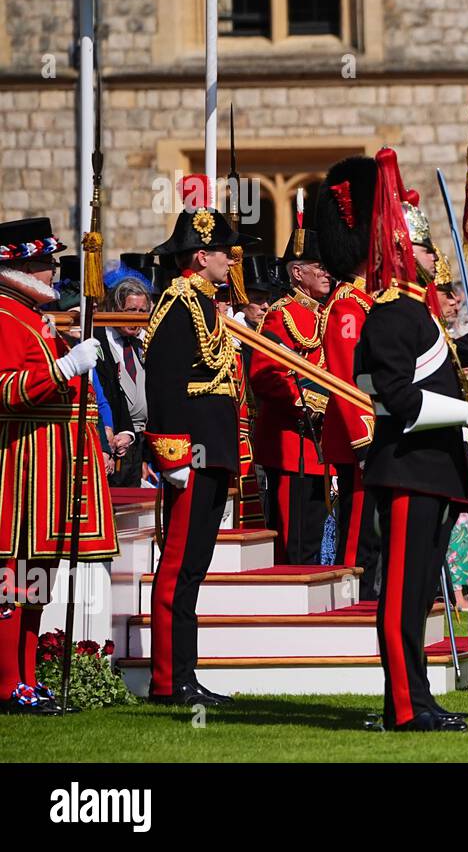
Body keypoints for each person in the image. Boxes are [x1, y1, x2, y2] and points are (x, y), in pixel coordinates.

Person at [354, 147, 468, 733]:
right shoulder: (393, 312)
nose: (434, 256)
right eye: (422, 246)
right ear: (399, 251)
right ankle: (406, 707)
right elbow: (393, 397)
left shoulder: (423, 315)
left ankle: (416, 697)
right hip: (409, 468)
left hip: (434, 471)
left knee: (419, 598)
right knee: (401, 597)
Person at [0, 217, 118, 714]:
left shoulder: (33, 316)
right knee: (14, 576)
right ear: (19, 265)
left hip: (50, 464)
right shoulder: (5, 315)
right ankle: (7, 682)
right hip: (23, 464)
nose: (52, 273)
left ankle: (26, 676)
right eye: (45, 264)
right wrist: (63, 369)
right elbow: (5, 389)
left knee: (37, 579)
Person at [143, 199, 254, 706]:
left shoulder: (207, 304)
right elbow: (164, 383)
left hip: (214, 451)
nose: (232, 262)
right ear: (198, 256)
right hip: (192, 452)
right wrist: (172, 457)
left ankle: (185, 674)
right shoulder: (178, 302)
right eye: (224, 254)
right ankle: (170, 679)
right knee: (179, 567)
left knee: (195, 569)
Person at [315, 155, 380, 597]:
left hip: (383, 437)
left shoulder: (369, 302)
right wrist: (367, 439)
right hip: (363, 443)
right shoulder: (347, 307)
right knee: (361, 539)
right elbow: (346, 380)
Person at [250, 225, 331, 564]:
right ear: (298, 272)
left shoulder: (327, 312)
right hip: (292, 441)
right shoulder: (281, 314)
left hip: (323, 443)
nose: (328, 274)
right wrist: (309, 405)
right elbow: (265, 374)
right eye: (320, 267)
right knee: (293, 540)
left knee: (316, 534)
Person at [95, 270, 153, 487]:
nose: (136, 317)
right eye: (130, 310)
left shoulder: (141, 344)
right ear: (115, 309)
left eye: (141, 311)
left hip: (138, 443)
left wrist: (146, 456)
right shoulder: (98, 340)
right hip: (113, 442)